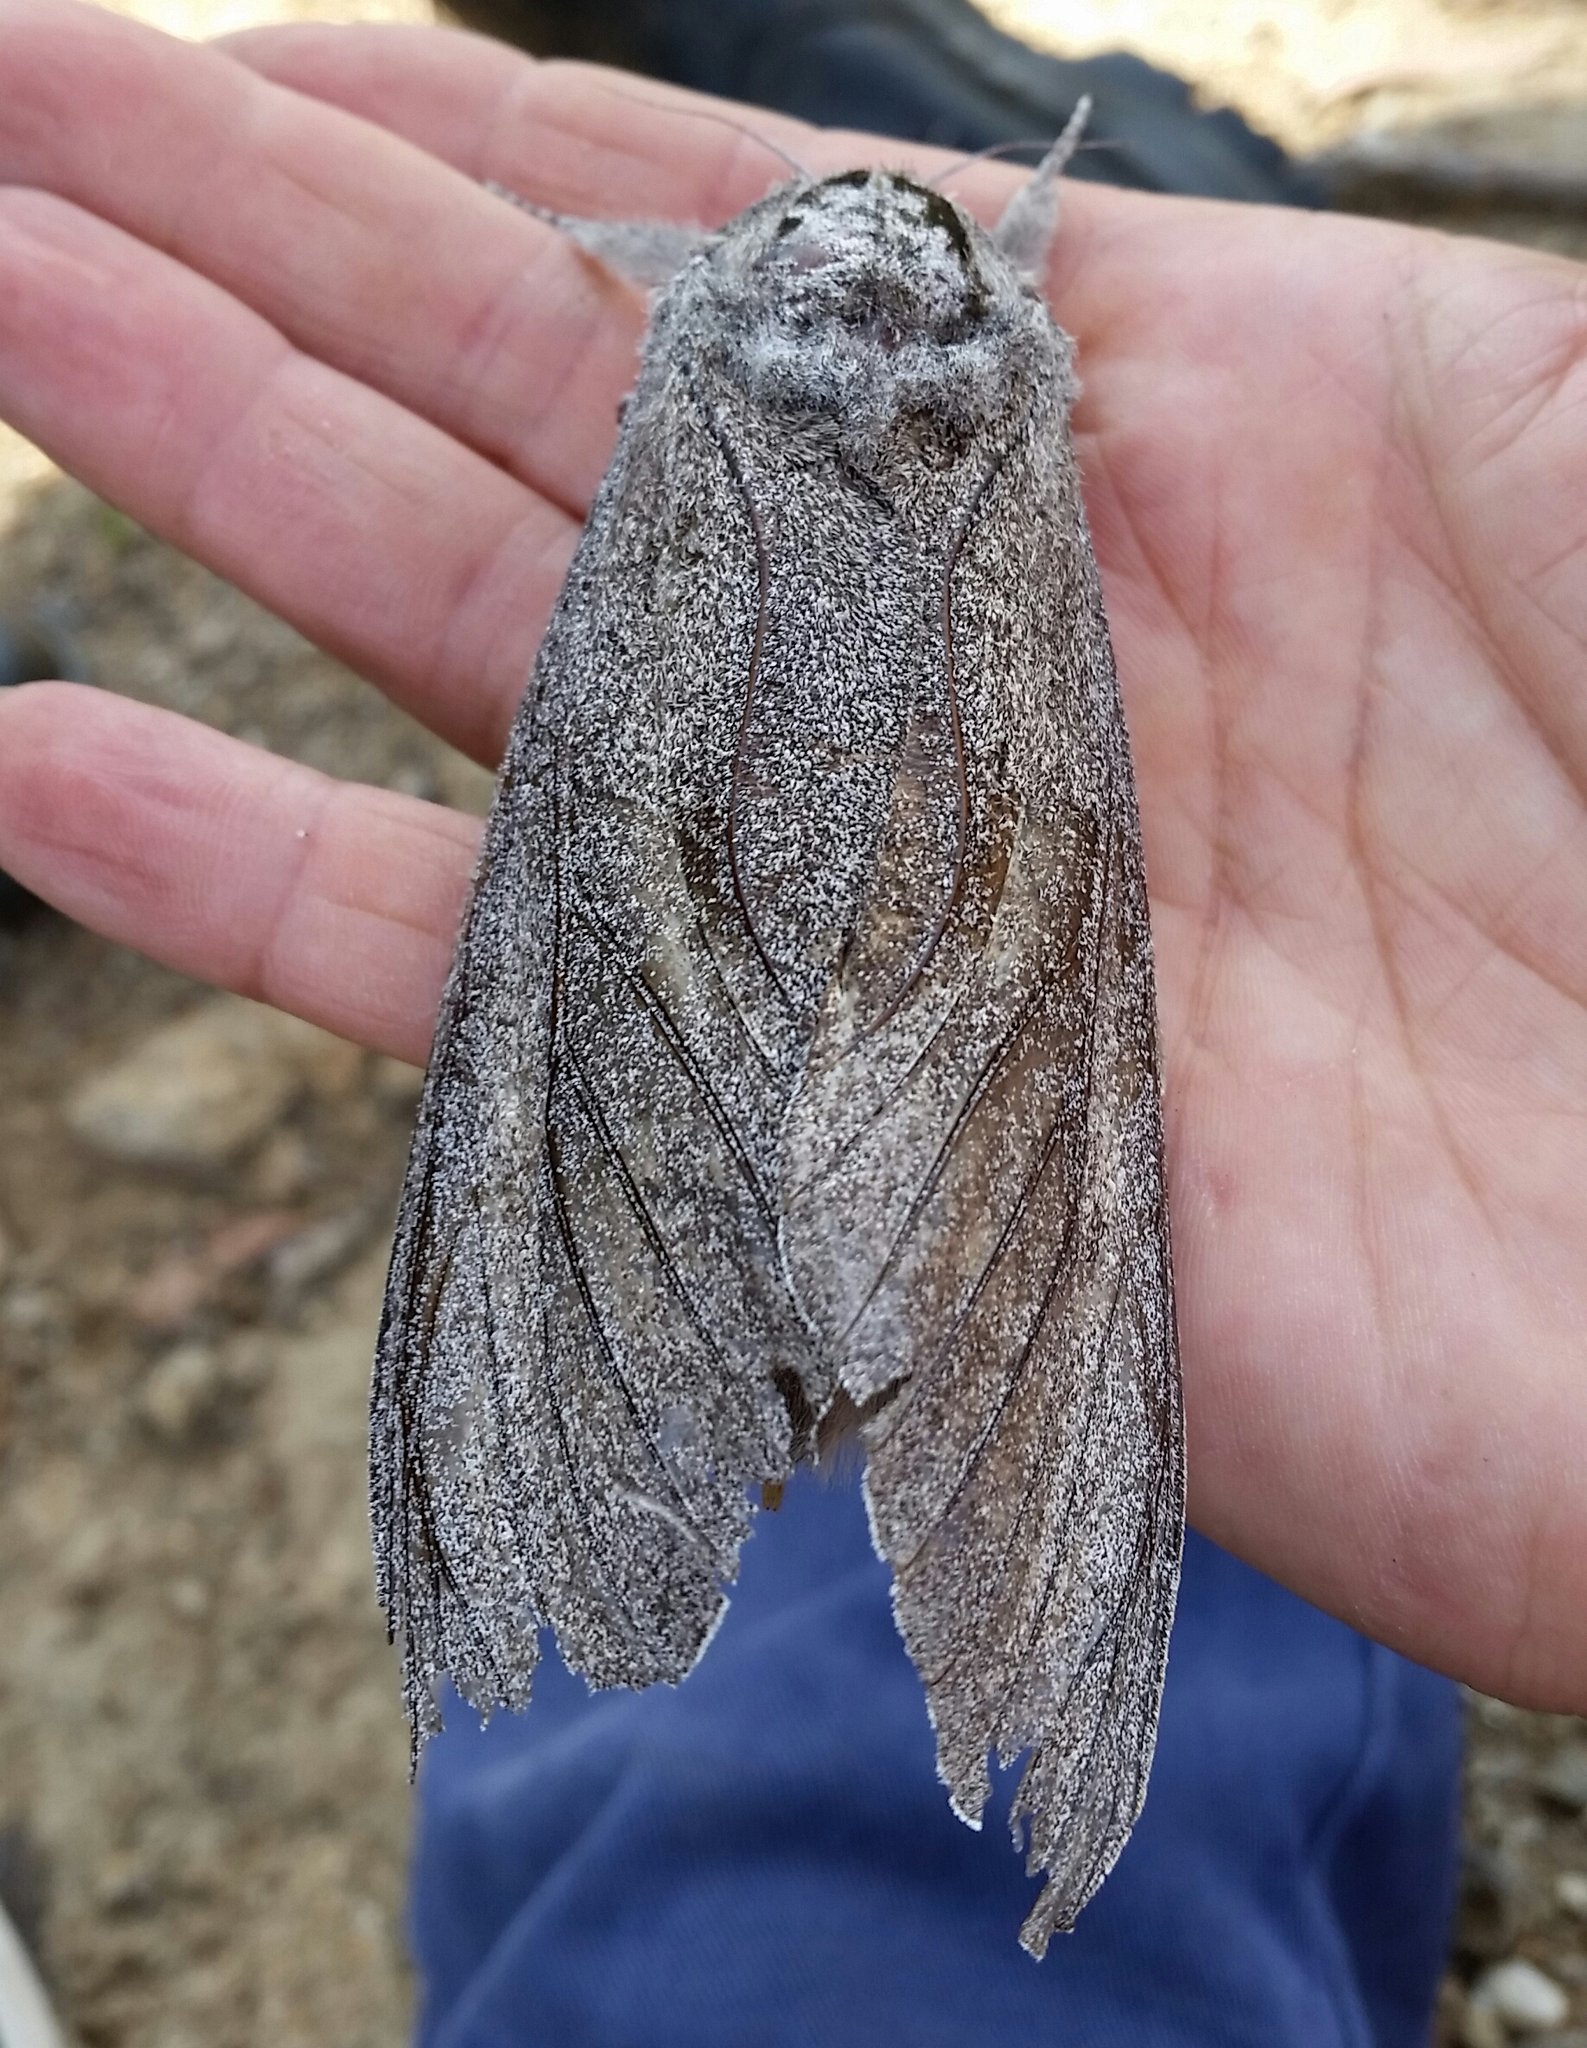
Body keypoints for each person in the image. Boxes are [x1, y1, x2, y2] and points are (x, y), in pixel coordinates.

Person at [0, 2, 1583, 2041]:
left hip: (737, 762)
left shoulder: (712, 368)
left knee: (731, 1783)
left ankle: (797, 1549)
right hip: (979, 826)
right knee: (1019, 1235)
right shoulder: (1013, 386)